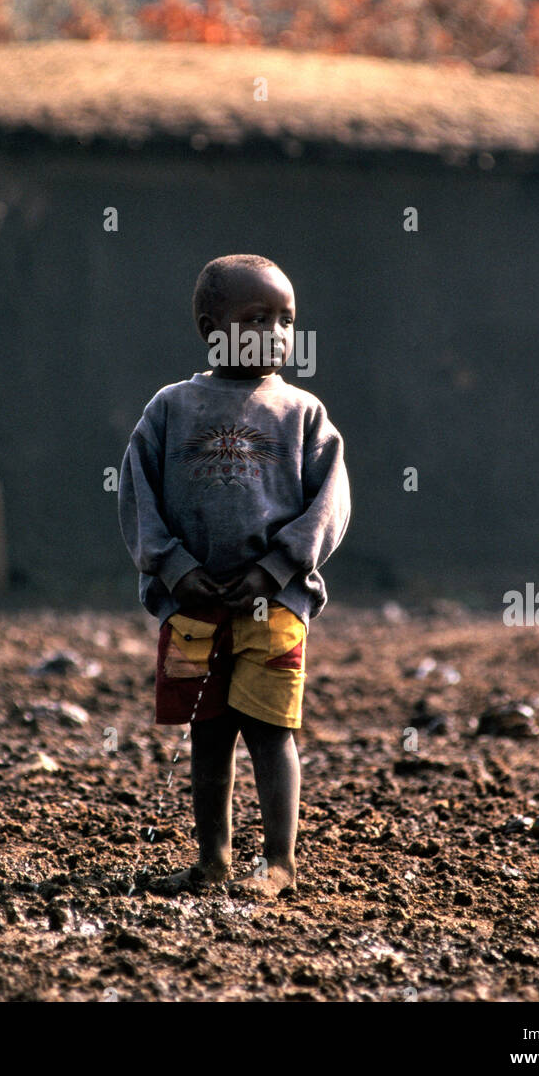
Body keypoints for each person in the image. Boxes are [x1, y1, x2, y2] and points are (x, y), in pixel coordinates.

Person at [119, 253, 350, 898]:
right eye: (257, 319)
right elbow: (139, 494)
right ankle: (213, 860)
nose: (277, 333)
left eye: (287, 320)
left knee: (273, 732)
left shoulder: (304, 414)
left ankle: (280, 864)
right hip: (191, 607)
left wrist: (277, 567)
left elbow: (329, 504)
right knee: (209, 730)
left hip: (274, 606)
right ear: (209, 325)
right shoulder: (171, 409)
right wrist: (174, 566)